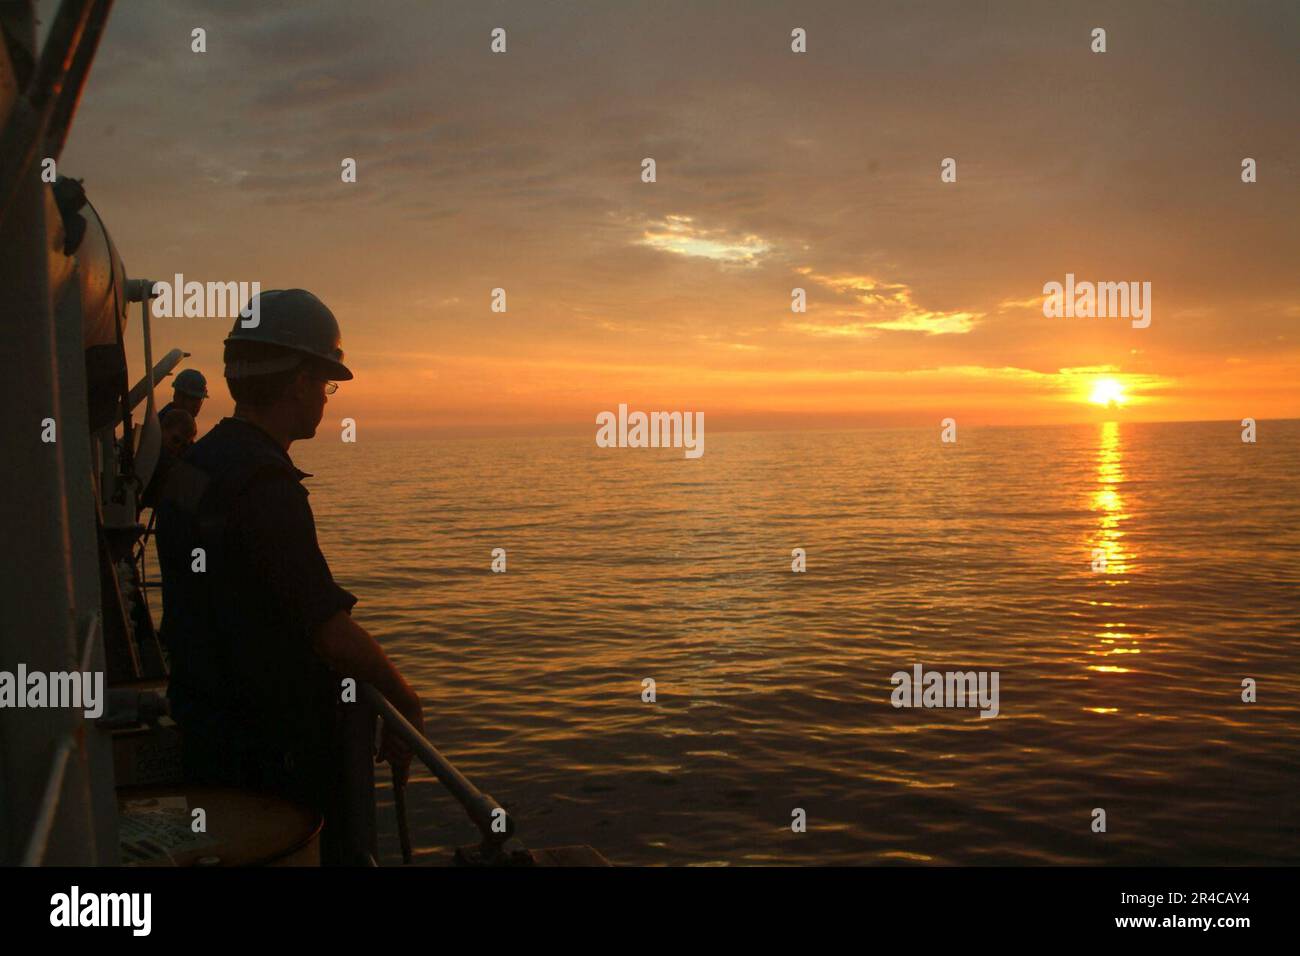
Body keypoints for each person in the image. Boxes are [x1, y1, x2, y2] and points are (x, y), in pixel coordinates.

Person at [154, 289, 423, 864]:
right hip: (271, 756)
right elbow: (326, 627)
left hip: (205, 735)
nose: (327, 400)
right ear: (300, 380)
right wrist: (404, 699)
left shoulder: (193, 468)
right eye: (327, 384)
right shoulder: (266, 487)